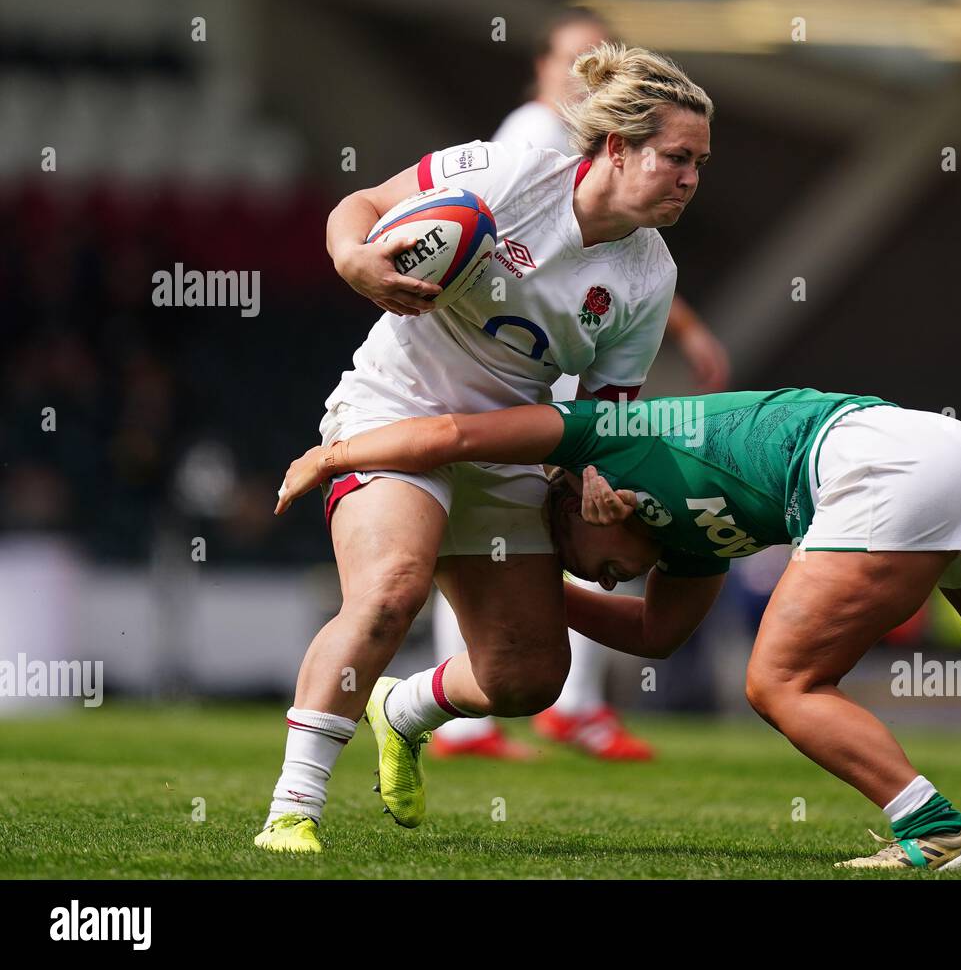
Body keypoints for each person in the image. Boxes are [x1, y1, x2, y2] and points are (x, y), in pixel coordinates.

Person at [275, 389, 961, 872]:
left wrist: (335, 455)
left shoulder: (592, 438)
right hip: (952, 451)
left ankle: (933, 836)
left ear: (567, 504)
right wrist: (543, 601)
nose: (600, 573)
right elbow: (656, 637)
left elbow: (453, 434)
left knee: (779, 683)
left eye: (582, 563)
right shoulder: (677, 543)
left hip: (876, 465)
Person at [254, 43, 714, 853]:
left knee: (528, 675)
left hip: (507, 446)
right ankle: (293, 808)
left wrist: (594, 484)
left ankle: (404, 709)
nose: (689, 180)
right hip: (394, 409)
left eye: (699, 164)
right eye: (675, 158)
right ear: (616, 147)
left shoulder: (649, 276)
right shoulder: (504, 175)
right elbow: (363, 203)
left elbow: (603, 414)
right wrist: (354, 259)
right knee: (392, 589)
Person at [431, 8, 730, 762]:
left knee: (561, 508)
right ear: (538, 66)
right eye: (570, 56)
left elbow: (622, 253)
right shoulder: (535, 135)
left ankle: (552, 704)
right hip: (514, 351)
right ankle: (524, 708)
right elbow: (553, 245)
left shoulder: (641, 234)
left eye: (595, 56)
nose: (582, 70)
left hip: (563, 347)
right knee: (519, 515)